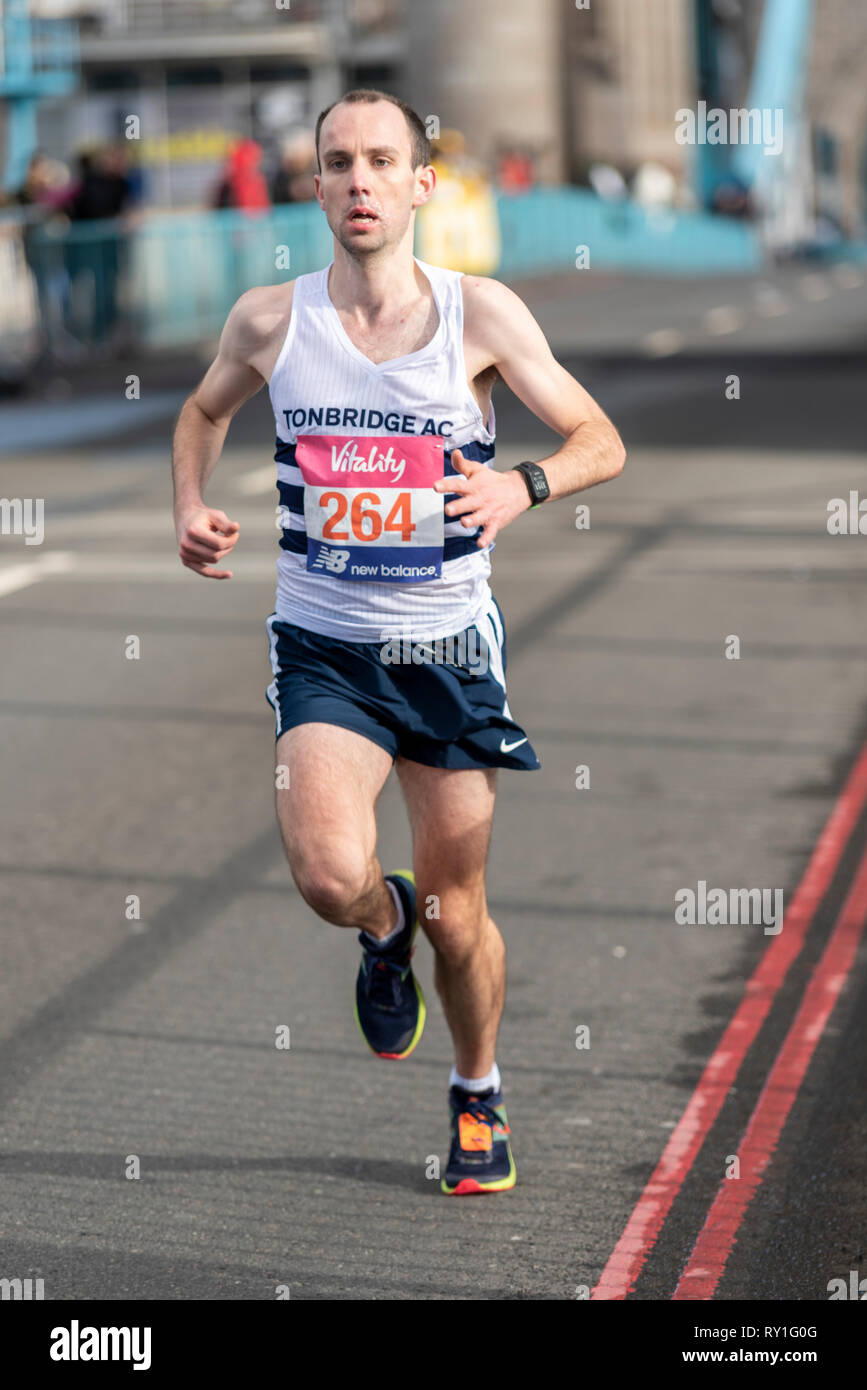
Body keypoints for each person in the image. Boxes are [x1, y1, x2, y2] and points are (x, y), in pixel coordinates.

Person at [171, 88, 625, 1195]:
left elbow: (599, 439)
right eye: (338, 162)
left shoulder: (480, 316)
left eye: (381, 160)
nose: (359, 181)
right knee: (333, 875)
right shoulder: (270, 321)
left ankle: (477, 1090)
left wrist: (523, 484)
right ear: (316, 186)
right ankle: (382, 929)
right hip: (324, 645)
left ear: (423, 184)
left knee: (458, 915)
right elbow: (202, 412)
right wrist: (189, 503)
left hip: (447, 651)